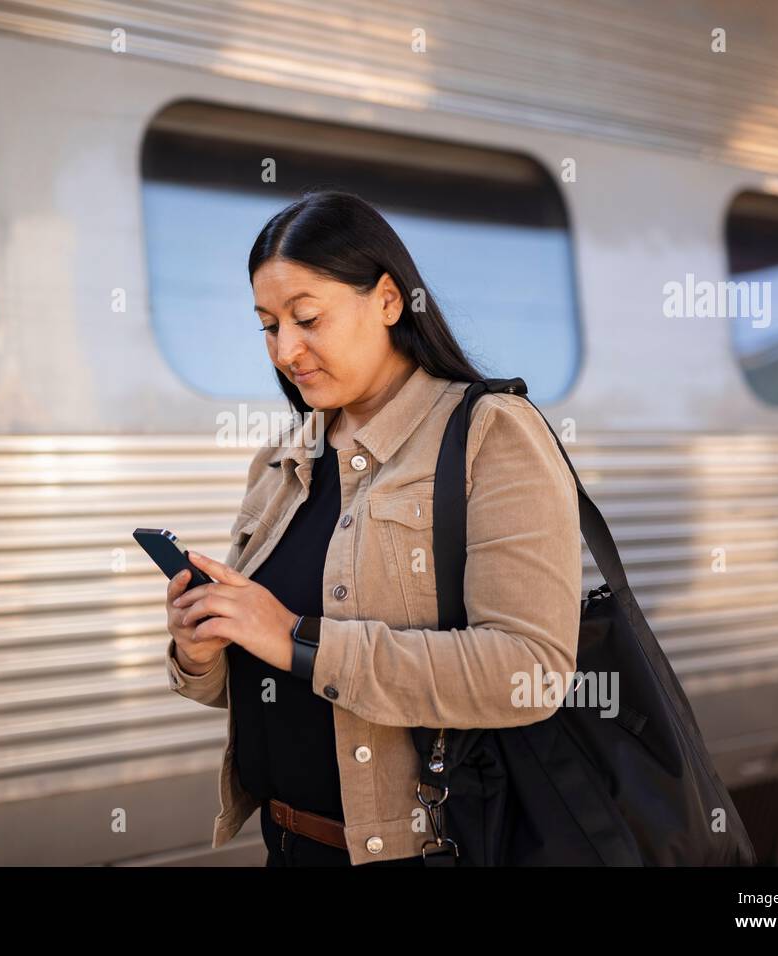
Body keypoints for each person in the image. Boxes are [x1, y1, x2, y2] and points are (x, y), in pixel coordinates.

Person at [163, 189, 582, 866]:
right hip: (287, 847)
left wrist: (298, 638)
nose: (285, 350)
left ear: (389, 301)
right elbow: (256, 675)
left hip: (420, 854)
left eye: (307, 318)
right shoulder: (280, 458)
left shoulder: (489, 433)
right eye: (268, 325)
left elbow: (530, 670)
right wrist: (203, 648)